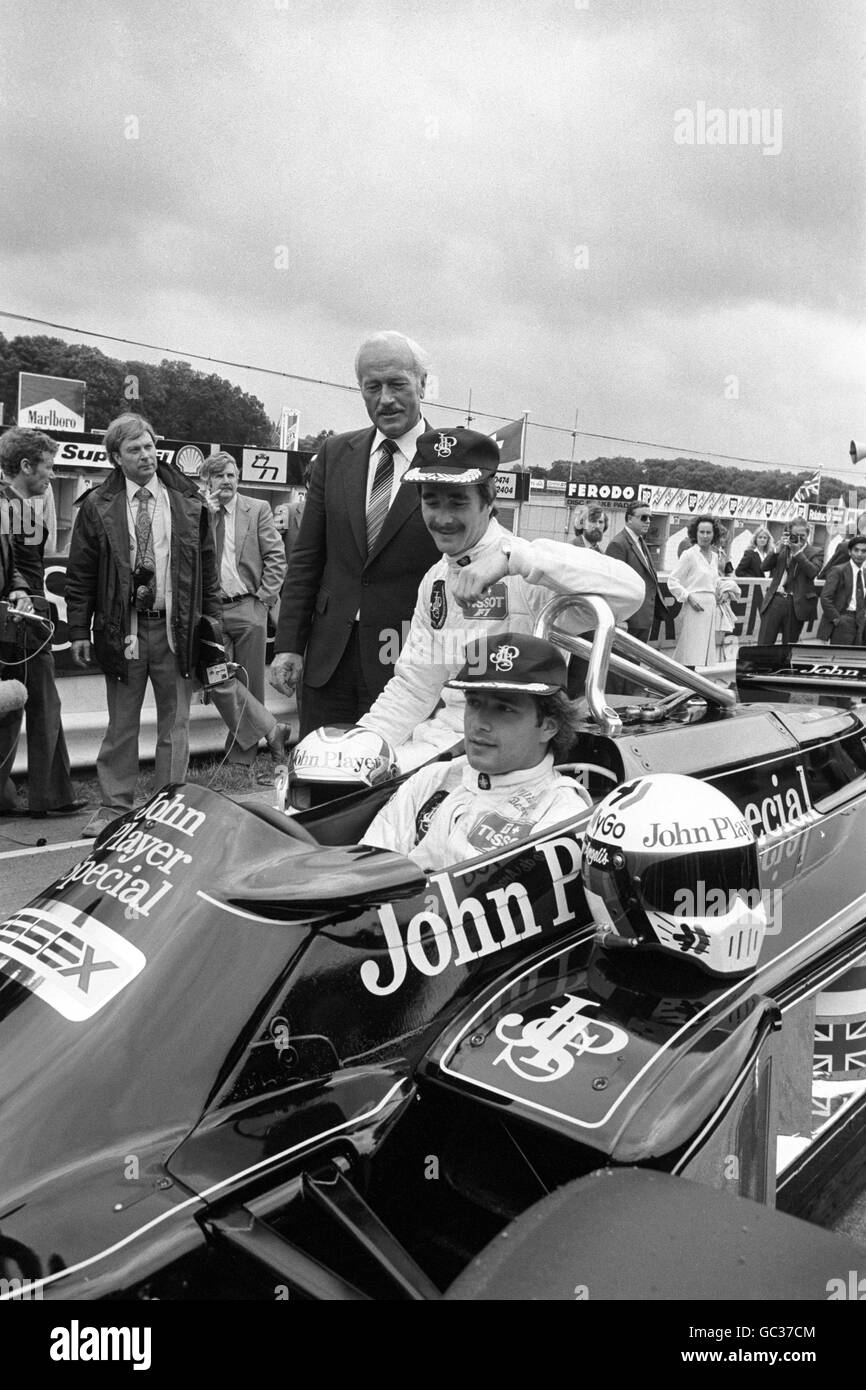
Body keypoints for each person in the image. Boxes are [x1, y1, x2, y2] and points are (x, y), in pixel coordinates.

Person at [356, 427, 643, 769]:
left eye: (458, 502)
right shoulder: (434, 579)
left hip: (506, 752)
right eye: (431, 502)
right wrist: (361, 744)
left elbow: (631, 592)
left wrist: (513, 558)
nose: (442, 518)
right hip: (441, 744)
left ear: (489, 500)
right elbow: (414, 686)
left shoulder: (529, 570)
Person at [269, 331, 441, 736]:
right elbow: (308, 557)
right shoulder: (334, 453)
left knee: (394, 784)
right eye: (372, 387)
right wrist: (289, 644)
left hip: (409, 661)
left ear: (422, 383)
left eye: (398, 384)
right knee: (322, 780)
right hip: (329, 661)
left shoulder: (449, 461)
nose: (385, 399)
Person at [66, 412, 224, 838]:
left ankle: (169, 805)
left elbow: (208, 573)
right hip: (124, 631)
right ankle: (113, 806)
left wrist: (213, 630)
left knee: (176, 723)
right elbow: (79, 575)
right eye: (135, 449)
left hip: (176, 630)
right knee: (121, 724)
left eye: (151, 446)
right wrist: (79, 630)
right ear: (116, 457)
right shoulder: (97, 505)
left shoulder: (189, 502)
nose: (147, 456)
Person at [361, 633, 590, 869]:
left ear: (548, 726)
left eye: (503, 709)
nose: (479, 723)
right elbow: (366, 874)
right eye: (474, 703)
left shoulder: (562, 813)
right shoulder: (431, 779)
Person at [0, 427, 86, 817]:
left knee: (28, 706)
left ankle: (43, 794)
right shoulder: (16, 510)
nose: (51, 475)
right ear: (24, 466)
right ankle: (49, 796)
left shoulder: (14, 505)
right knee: (44, 706)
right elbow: (22, 568)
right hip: (25, 623)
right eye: (48, 467)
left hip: (20, 619)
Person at [198, 452, 286, 764]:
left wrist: (264, 599)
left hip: (249, 605)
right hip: (213, 613)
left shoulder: (257, 508)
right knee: (215, 677)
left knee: (250, 684)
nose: (226, 481)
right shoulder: (199, 512)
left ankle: (242, 759)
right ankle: (273, 729)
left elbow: (277, 556)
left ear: (239, 478)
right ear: (207, 481)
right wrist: (204, 516)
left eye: (231, 475)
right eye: (219, 476)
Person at [667, 515, 741, 667]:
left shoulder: (715, 557)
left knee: (704, 654)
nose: (705, 536)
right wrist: (688, 597)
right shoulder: (689, 555)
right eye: (701, 532)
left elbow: (712, 581)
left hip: (710, 609)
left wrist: (720, 592)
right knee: (691, 651)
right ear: (695, 533)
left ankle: (697, 686)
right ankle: (683, 684)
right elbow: (672, 581)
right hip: (694, 608)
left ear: (714, 535)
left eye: (708, 532)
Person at [0, 495, 34, 815]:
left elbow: (11, 567)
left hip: (4, 626)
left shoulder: (3, 503)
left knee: (9, 708)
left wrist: (19, 588)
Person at [604, 502, 674, 644]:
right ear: (630, 518)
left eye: (650, 517)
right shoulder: (618, 544)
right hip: (628, 621)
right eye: (643, 517)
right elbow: (613, 586)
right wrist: (619, 618)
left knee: (634, 664)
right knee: (623, 664)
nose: (648, 521)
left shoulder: (640, 541)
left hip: (643, 618)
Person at [756, 519, 822, 645]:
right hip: (775, 600)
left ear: (808, 534)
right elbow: (764, 567)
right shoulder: (783, 548)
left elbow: (813, 572)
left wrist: (797, 552)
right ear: (789, 534)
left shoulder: (816, 552)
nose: (799, 539)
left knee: (789, 646)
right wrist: (776, 550)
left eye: (802, 535)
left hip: (796, 604)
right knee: (764, 642)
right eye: (795, 535)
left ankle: (783, 665)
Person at [817, 537, 866, 645]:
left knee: (856, 659)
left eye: (863, 551)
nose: (859, 554)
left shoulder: (864, 574)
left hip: (861, 622)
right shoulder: (838, 570)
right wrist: (836, 619)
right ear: (849, 552)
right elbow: (825, 597)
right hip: (843, 620)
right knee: (839, 658)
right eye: (856, 550)